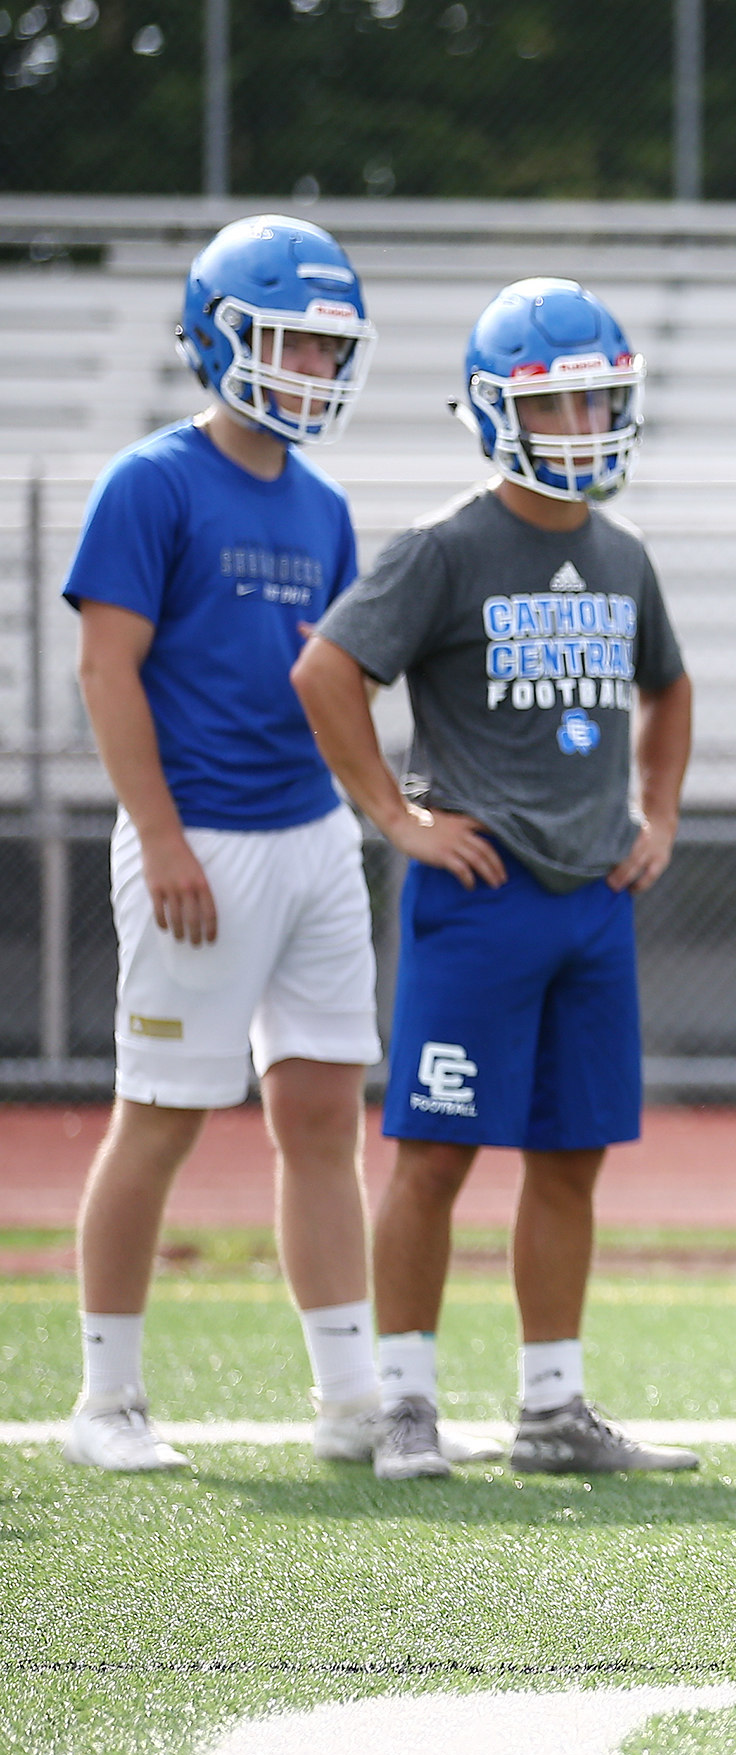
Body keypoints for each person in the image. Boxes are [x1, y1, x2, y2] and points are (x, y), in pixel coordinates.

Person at [55, 215, 487, 1475]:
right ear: (217, 336)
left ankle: (349, 1392)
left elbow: (334, 680)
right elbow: (105, 669)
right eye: (286, 337)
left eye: (323, 343)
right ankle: (107, 1398)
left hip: (309, 838)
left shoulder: (322, 502)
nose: (306, 364)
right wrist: (161, 835)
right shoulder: (151, 480)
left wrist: (376, 806)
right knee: (161, 1115)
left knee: (319, 1114)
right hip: (202, 838)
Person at [292, 277, 698, 1481]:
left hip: (591, 899)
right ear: (497, 411)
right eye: (560, 405)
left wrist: (659, 812)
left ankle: (552, 1406)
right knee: (434, 1150)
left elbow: (670, 688)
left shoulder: (622, 553)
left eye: (598, 403)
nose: (583, 427)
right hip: (480, 892)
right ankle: (407, 1401)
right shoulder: (444, 544)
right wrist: (395, 814)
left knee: (571, 1152)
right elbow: (326, 672)